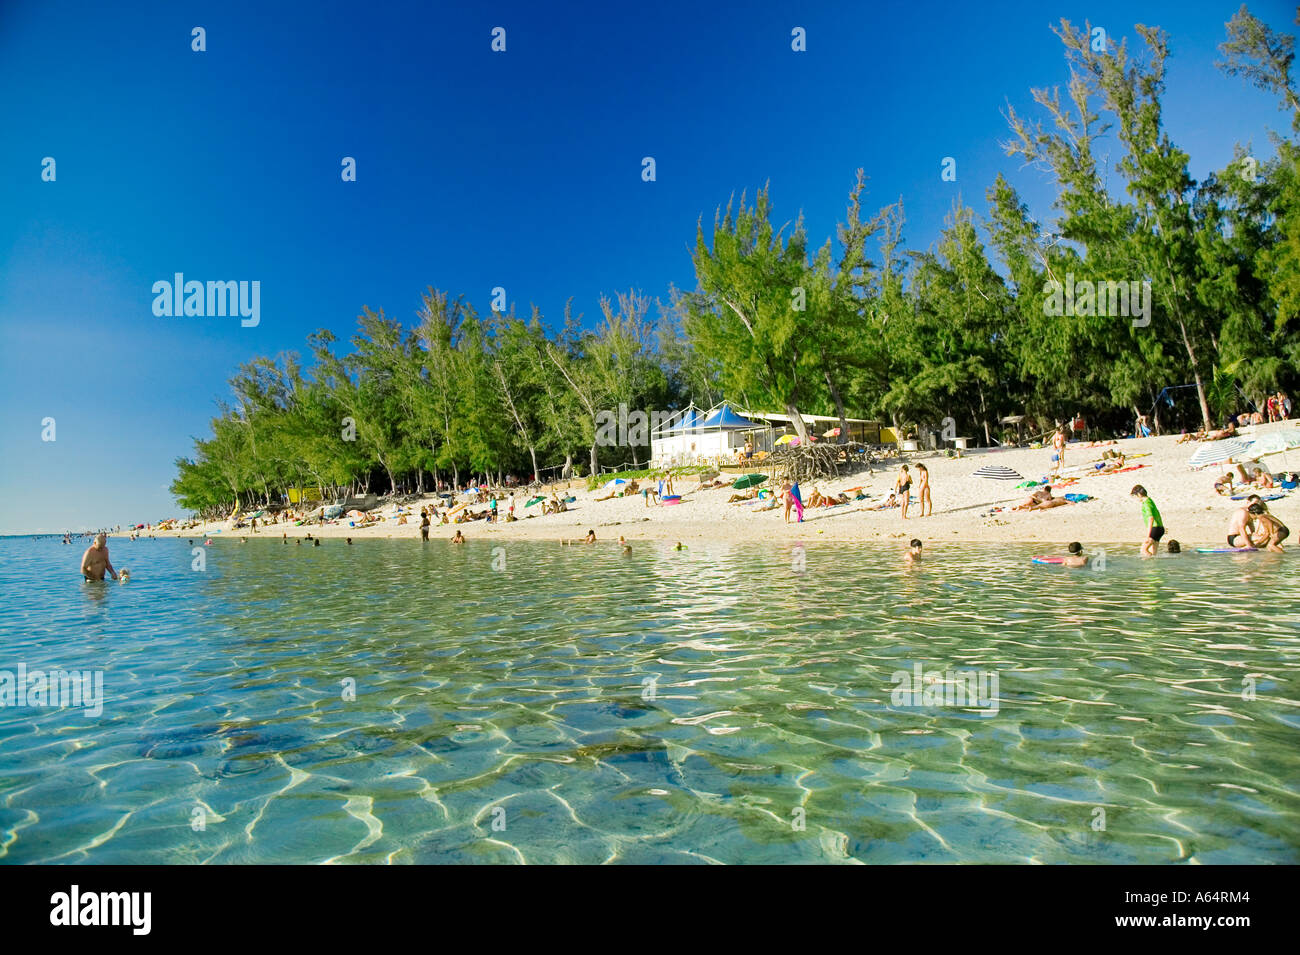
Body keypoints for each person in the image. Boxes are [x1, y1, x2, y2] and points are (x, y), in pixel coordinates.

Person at [1131, 484, 1164, 556]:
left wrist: (1148, 535)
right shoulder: (1150, 500)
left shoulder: (1146, 503)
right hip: (1159, 528)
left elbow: (1151, 518)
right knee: (1153, 553)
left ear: (1139, 494)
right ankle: (1153, 566)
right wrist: (1161, 526)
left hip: (1155, 529)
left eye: (1135, 496)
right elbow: (1157, 513)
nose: (1135, 499)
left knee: (1143, 550)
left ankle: (1147, 566)